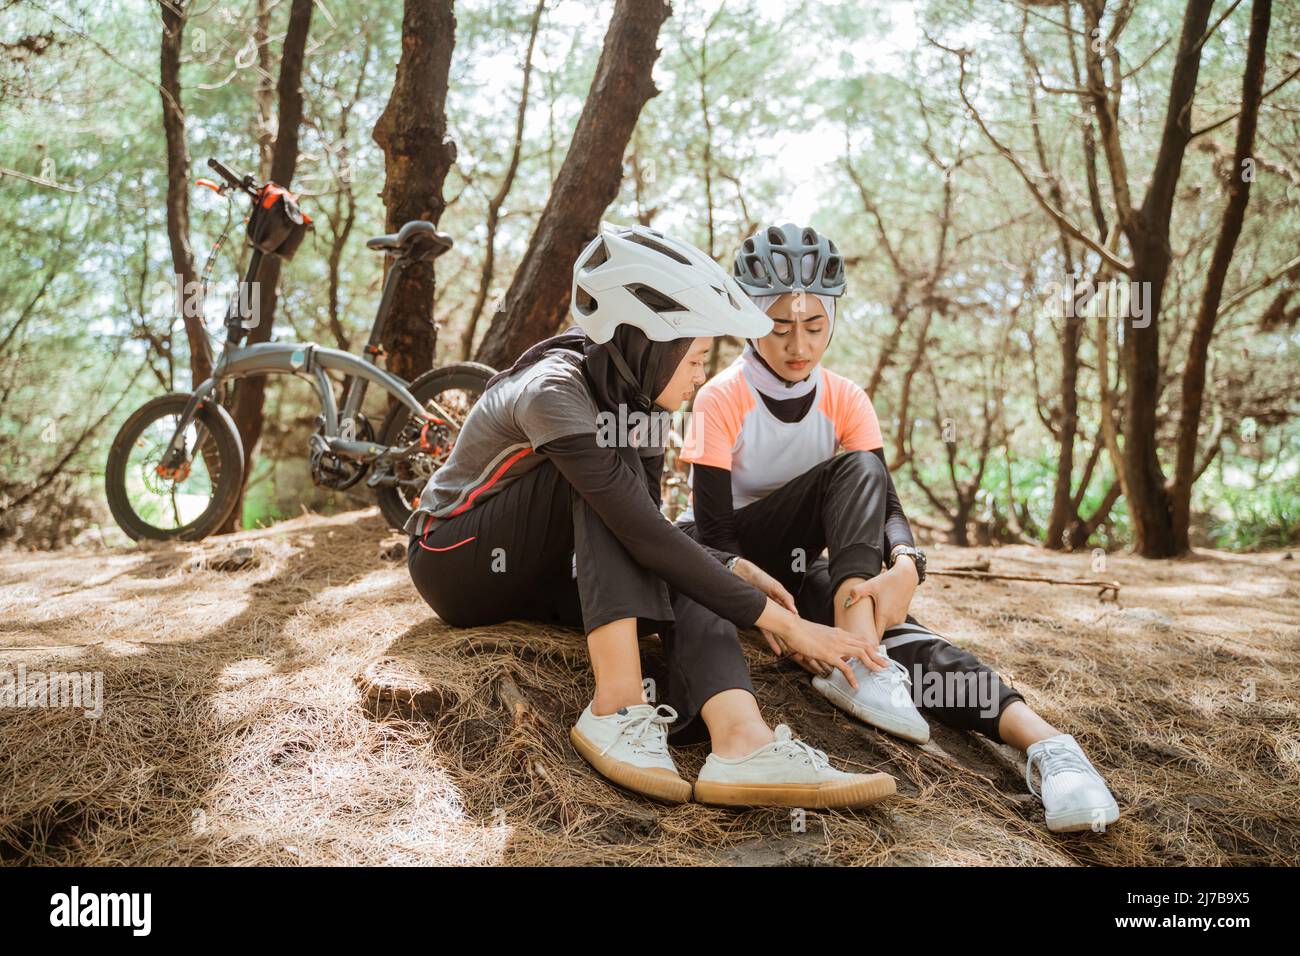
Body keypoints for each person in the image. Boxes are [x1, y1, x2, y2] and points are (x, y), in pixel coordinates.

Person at [405, 221, 896, 810]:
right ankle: (617, 707)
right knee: (615, 499)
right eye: (694, 359)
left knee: (680, 553)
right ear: (650, 343)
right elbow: (635, 526)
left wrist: (730, 569)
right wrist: (790, 625)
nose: (698, 377)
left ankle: (743, 741)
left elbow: (660, 536)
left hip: (545, 574)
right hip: (455, 560)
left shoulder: (637, 399)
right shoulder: (553, 390)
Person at [676, 222, 1119, 833]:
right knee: (852, 477)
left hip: (815, 567)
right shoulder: (720, 397)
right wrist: (778, 620)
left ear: (832, 317)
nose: (797, 344)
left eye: (814, 326)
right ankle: (863, 662)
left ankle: (1049, 747)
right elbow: (717, 536)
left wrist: (908, 563)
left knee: (907, 637)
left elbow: (883, 503)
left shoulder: (846, 397)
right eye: (778, 327)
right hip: (739, 558)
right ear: (750, 323)